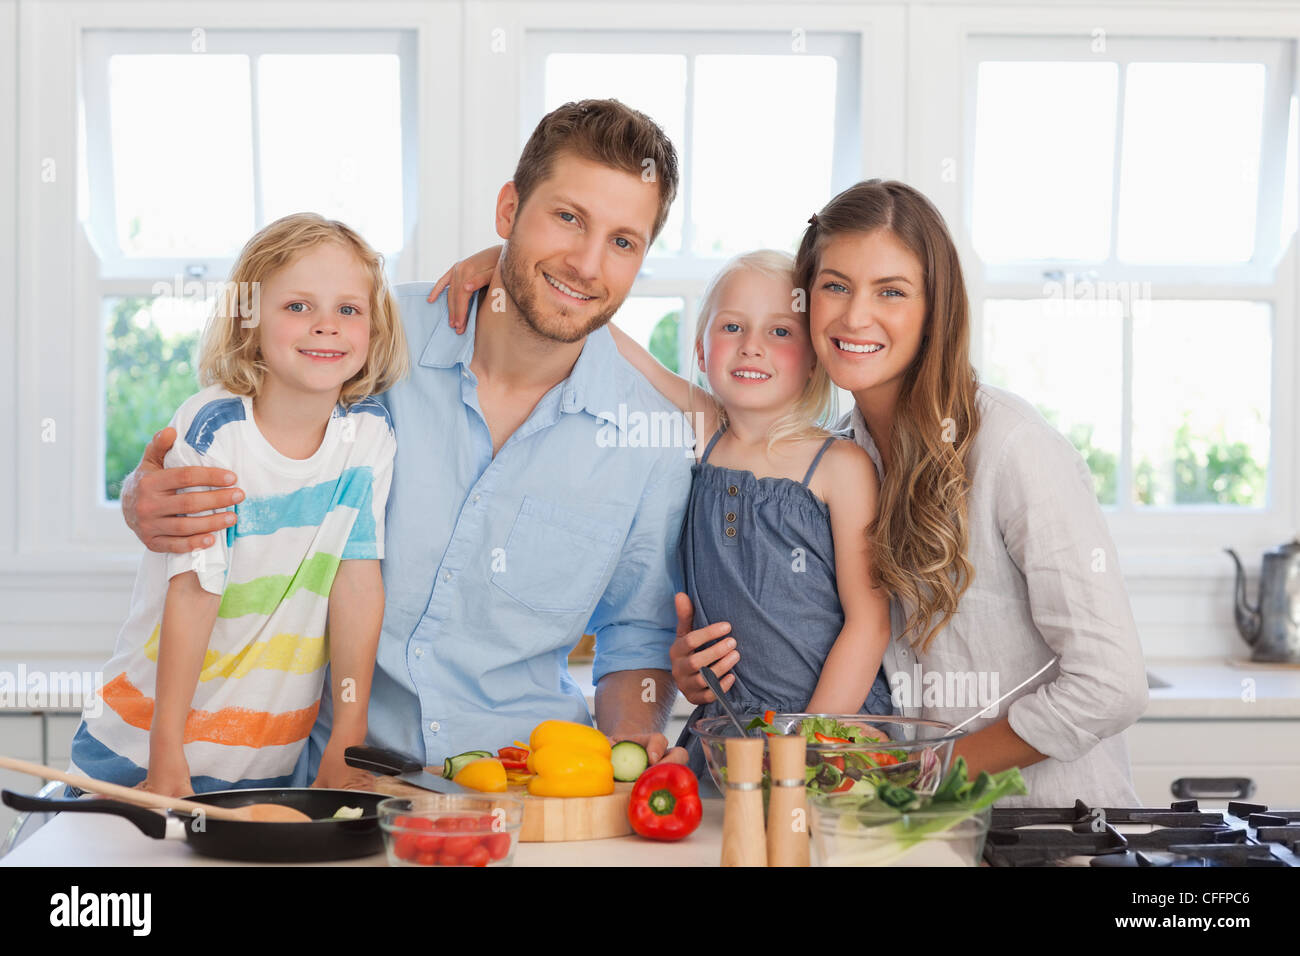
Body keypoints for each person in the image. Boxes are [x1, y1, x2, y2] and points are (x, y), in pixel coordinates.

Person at [117, 100, 694, 776]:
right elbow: (242, 433)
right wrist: (144, 497)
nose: (588, 265)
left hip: (521, 790)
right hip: (318, 775)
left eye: (623, 242)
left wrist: (630, 746)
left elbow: (637, 636)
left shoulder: (651, 444)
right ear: (508, 211)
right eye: (567, 218)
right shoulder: (370, 340)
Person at [720, 180, 1143, 807]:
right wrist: (701, 670)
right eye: (836, 286)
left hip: (1044, 830)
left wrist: (928, 771)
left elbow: (1111, 683)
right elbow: (820, 640)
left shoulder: (1011, 447)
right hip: (907, 833)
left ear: (934, 309)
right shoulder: (830, 463)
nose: (855, 316)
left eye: (891, 291)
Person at [438, 249, 895, 778]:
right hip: (729, 736)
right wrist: (513, 259)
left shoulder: (841, 465)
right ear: (701, 351)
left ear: (815, 354)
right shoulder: (702, 434)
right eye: (732, 326)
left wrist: (810, 742)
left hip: (832, 732)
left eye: (780, 332)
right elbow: (612, 342)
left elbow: (869, 623)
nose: (751, 346)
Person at [70, 213, 408, 795]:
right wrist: (165, 750)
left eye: (348, 310)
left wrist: (348, 742)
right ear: (249, 323)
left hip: (260, 766)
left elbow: (356, 583)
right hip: (141, 757)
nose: (326, 326)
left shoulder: (369, 435)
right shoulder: (217, 430)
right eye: (298, 307)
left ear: (374, 331)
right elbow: (194, 595)